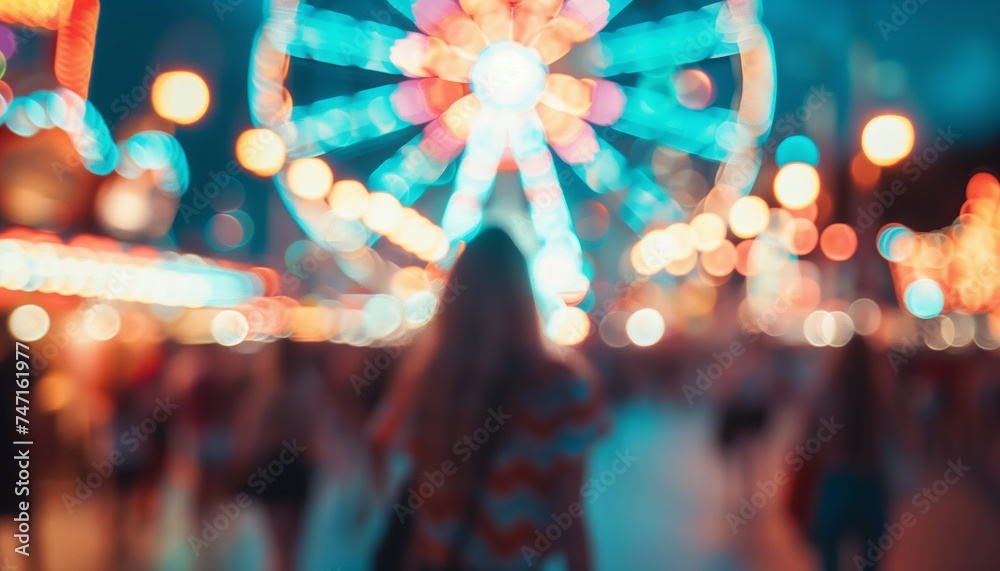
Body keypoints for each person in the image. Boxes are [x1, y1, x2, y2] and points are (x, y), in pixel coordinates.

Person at [369, 228, 607, 571]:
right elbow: (569, 513)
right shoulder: (563, 387)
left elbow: (379, 439)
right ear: (524, 293)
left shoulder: (428, 378)